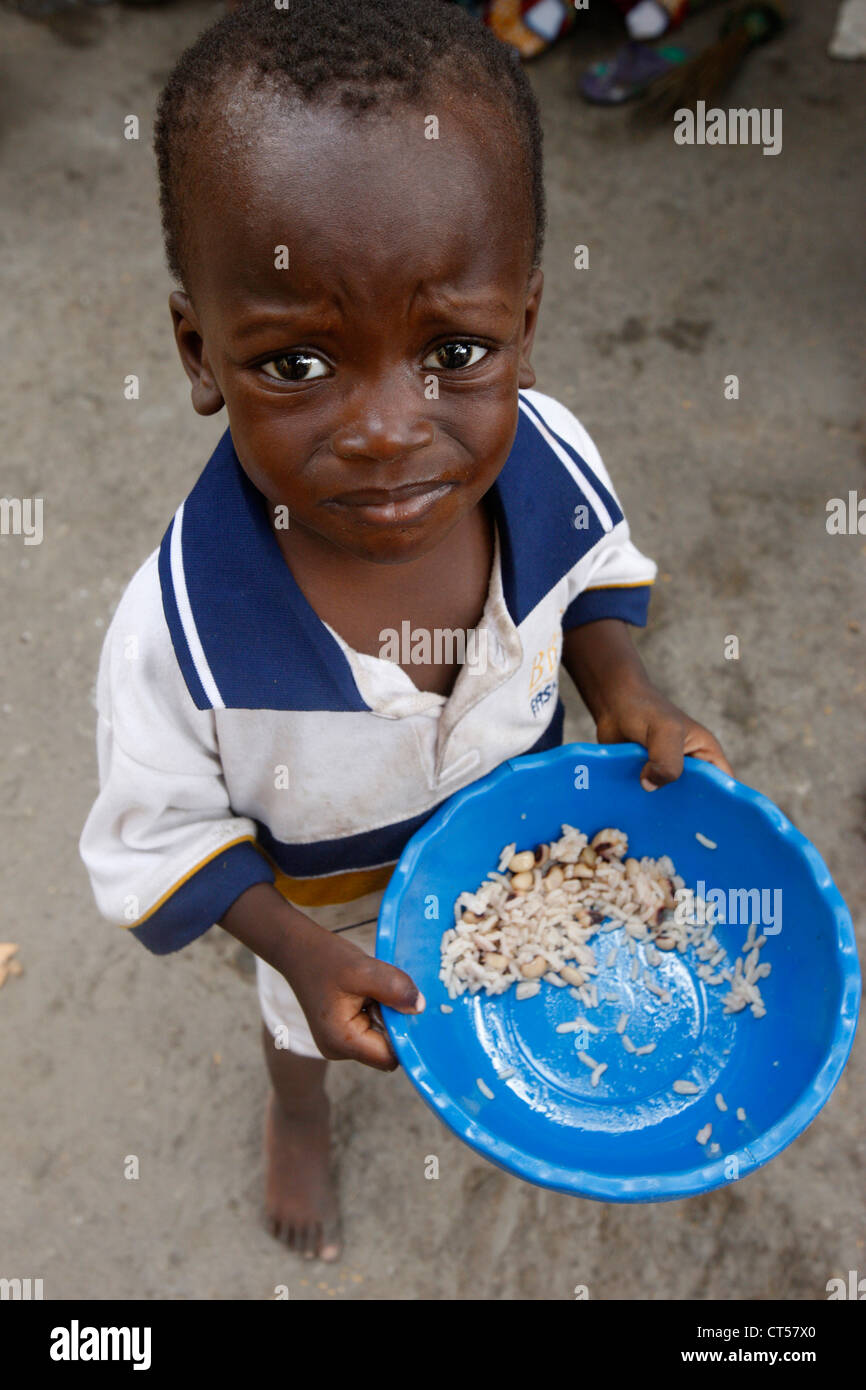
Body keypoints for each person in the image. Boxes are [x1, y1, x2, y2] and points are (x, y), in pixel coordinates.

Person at [79, 0, 731, 1263]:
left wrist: (624, 688)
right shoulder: (181, 635)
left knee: (530, 988)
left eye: (454, 348)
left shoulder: (548, 460)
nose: (385, 427)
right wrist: (294, 948)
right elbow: (161, 833)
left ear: (526, 329)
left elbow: (593, 573)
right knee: (298, 1030)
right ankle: (296, 1115)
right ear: (197, 350)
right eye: (293, 363)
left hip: (517, 863)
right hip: (329, 910)